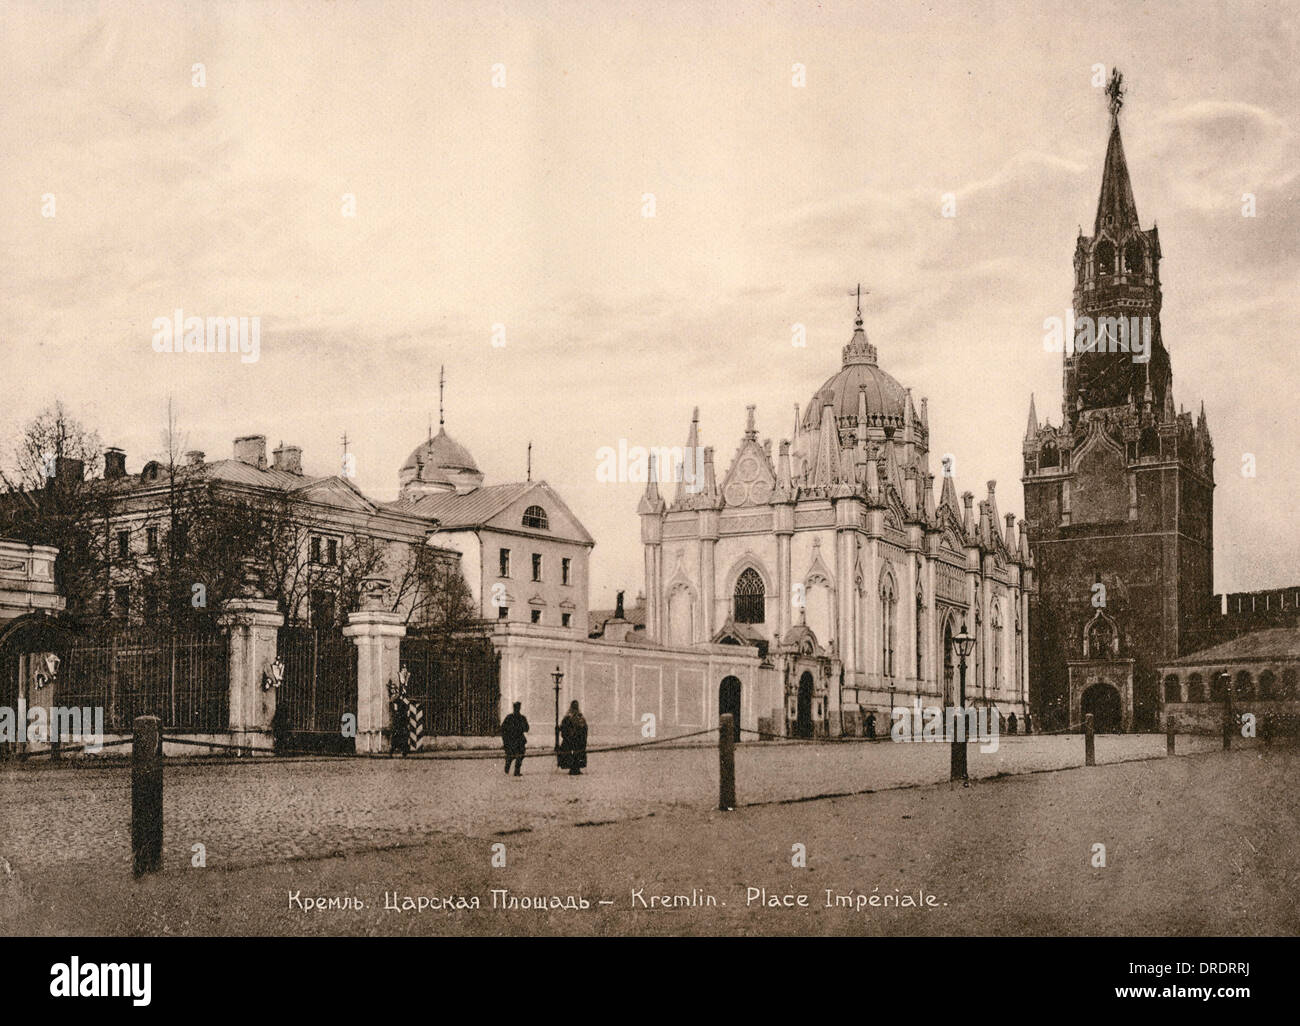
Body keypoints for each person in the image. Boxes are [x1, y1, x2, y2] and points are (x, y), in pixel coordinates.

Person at [559, 700, 588, 776]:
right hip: (573, 740)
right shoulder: (572, 717)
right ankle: (574, 768)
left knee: (577, 754)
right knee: (574, 754)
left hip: (577, 739)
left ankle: (576, 768)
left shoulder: (578, 717)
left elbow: (584, 728)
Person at [500, 702, 529, 776]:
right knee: (512, 755)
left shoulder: (519, 717)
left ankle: (516, 770)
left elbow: (527, 728)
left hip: (518, 740)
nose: (517, 709)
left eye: (518, 708)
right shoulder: (511, 717)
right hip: (512, 740)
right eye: (516, 708)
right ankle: (508, 768)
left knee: (520, 755)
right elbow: (503, 729)